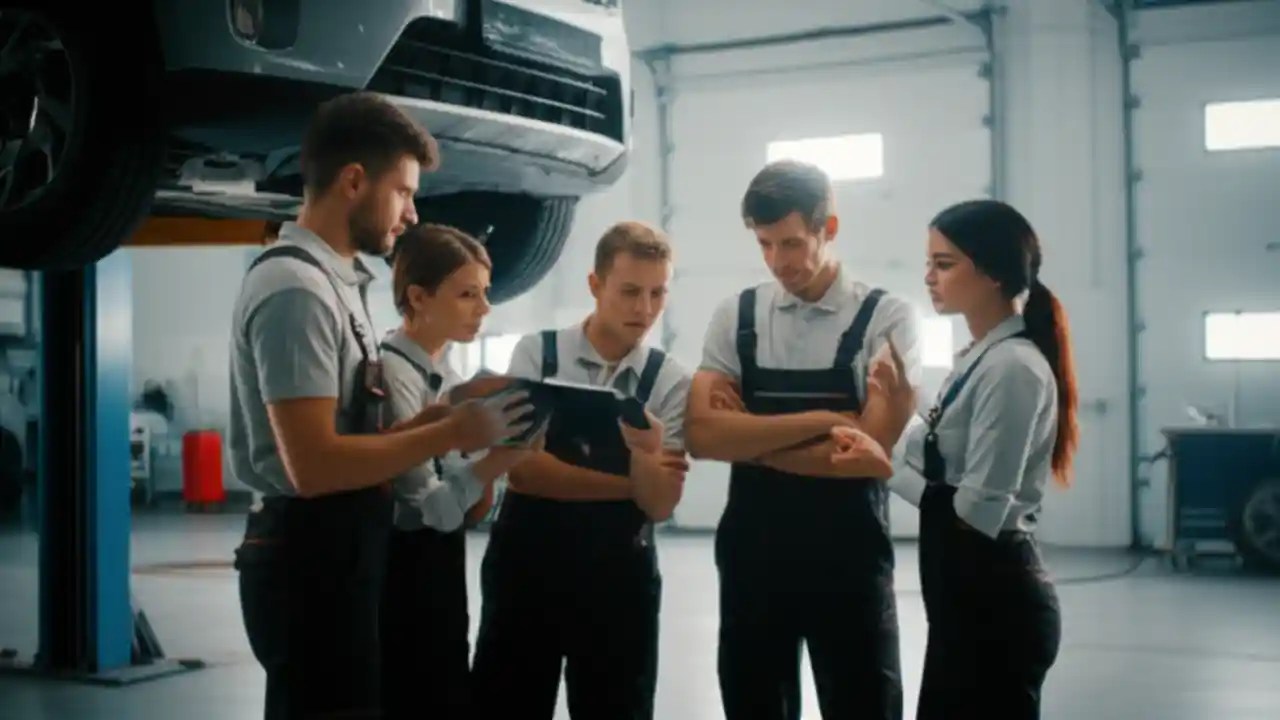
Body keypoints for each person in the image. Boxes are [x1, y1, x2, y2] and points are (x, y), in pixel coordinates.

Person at [228, 91, 530, 720]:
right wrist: (448, 438)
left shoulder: (336, 281)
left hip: (341, 547)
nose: (412, 215)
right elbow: (313, 464)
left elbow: (357, 436)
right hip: (306, 557)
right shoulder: (296, 289)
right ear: (354, 181)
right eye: (403, 192)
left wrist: (448, 416)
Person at [686, 159, 922, 720]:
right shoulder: (735, 315)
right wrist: (829, 419)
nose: (777, 261)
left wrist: (748, 439)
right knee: (753, 704)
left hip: (849, 557)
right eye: (764, 244)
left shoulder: (887, 317)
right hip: (751, 556)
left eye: (791, 243)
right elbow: (701, 435)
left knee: (864, 704)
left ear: (829, 229)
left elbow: (870, 454)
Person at [847, 199, 1075, 719]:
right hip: (963, 601)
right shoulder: (979, 356)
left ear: (992, 272)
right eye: (928, 262)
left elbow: (978, 510)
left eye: (944, 264)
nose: (928, 277)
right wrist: (897, 403)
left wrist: (882, 469)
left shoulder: (1013, 367)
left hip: (997, 603)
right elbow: (933, 461)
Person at [470, 221, 692, 720]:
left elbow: (659, 503)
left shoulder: (671, 380)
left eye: (658, 293)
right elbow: (524, 473)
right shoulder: (536, 354)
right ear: (595, 285)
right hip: (527, 571)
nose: (645, 309)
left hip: (621, 582)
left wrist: (641, 453)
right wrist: (633, 480)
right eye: (630, 291)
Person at [377, 223, 546, 720]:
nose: (484, 308)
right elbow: (427, 510)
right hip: (401, 580)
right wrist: (498, 460)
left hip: (441, 574)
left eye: (486, 293)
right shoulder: (393, 375)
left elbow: (465, 504)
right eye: (467, 293)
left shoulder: (450, 378)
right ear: (418, 297)